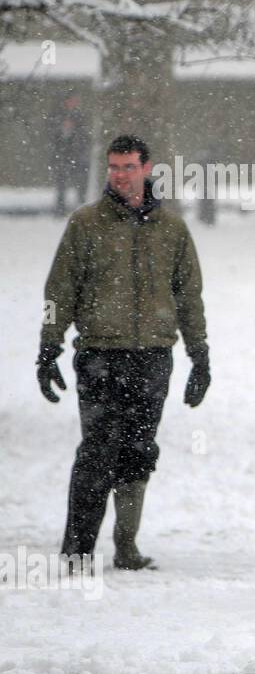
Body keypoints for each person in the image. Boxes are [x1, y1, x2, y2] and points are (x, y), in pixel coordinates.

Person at [38, 135, 209, 570]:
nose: (119, 175)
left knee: (139, 450)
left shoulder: (171, 229)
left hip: (153, 357)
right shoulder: (86, 224)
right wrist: (49, 346)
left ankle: (127, 547)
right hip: (100, 356)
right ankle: (77, 551)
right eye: (113, 167)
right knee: (97, 450)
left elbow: (189, 295)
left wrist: (199, 353)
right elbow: (60, 289)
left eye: (128, 166)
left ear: (147, 168)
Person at [51, 95, 90, 214]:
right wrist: (63, 129)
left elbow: (84, 135)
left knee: (80, 181)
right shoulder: (58, 115)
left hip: (77, 155)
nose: (73, 103)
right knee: (61, 183)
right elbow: (54, 135)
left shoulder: (80, 116)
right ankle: (60, 208)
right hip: (62, 156)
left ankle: (81, 205)